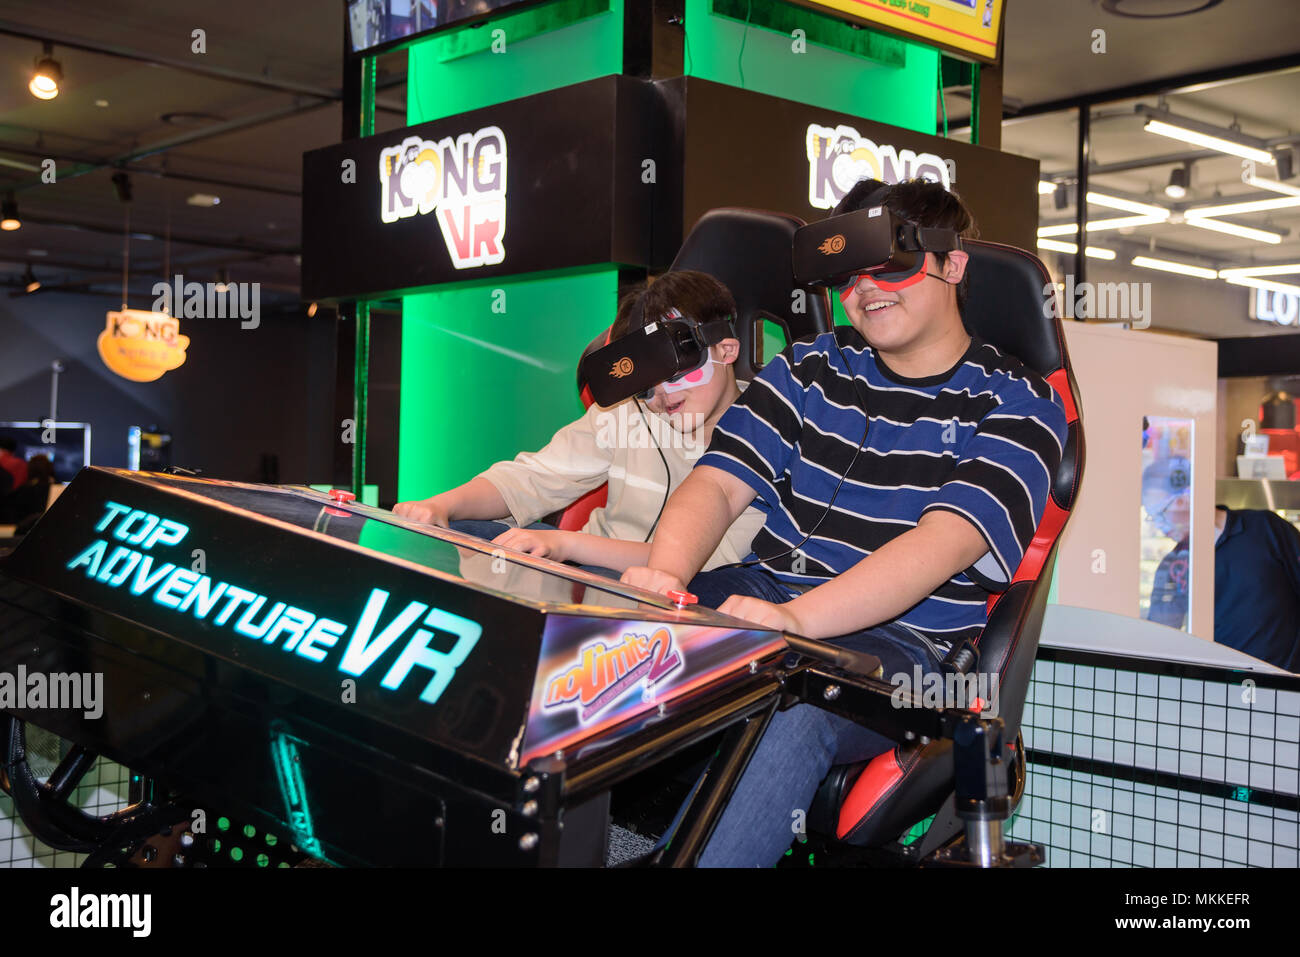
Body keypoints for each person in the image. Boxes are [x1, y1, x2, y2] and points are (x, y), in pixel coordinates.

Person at [622, 177, 1069, 867]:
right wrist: (662, 576)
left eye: (890, 263)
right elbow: (716, 484)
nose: (865, 289)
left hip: (904, 650)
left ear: (953, 264)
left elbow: (939, 543)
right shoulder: (807, 368)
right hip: (765, 594)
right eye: (849, 274)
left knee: (793, 700)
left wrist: (798, 623)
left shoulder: (1019, 402)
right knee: (590, 617)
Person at [393, 270, 766, 575]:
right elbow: (534, 478)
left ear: (726, 349)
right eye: (644, 388)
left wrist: (567, 543)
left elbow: (709, 564)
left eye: (672, 375)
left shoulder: (767, 431)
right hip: (584, 573)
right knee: (458, 534)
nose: (662, 398)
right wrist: (440, 507)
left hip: (682, 592)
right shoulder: (625, 412)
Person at [1149, 504, 1300, 673]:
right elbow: (1160, 640)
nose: (1159, 526)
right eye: (1153, 518)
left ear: (1184, 499)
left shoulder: (1266, 527)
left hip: (1288, 682)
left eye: (1160, 514)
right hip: (1223, 689)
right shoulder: (1174, 566)